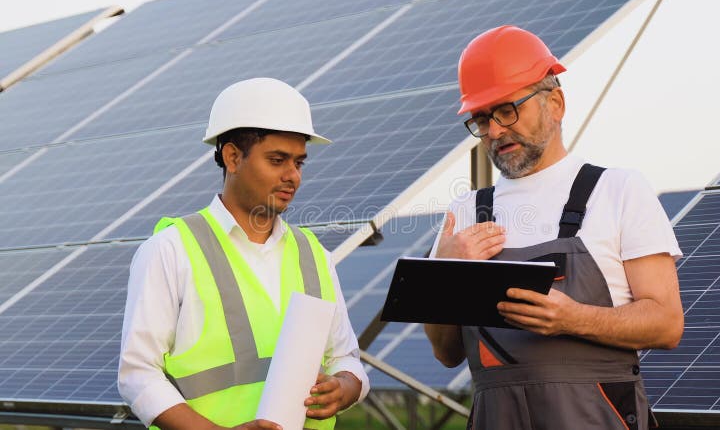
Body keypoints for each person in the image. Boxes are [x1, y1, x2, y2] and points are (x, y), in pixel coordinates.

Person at [423, 25, 684, 429]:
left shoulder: (617, 190)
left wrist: (573, 318)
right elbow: (447, 353)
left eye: (507, 110)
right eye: (481, 118)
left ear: (556, 103)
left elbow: (667, 324)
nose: (494, 131)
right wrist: (444, 277)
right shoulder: (466, 211)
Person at [119, 78, 369, 430]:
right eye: (277, 160)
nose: (293, 176)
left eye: (299, 162)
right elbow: (137, 374)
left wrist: (343, 387)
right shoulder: (171, 250)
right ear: (232, 157)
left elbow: (346, 358)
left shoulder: (314, 255)